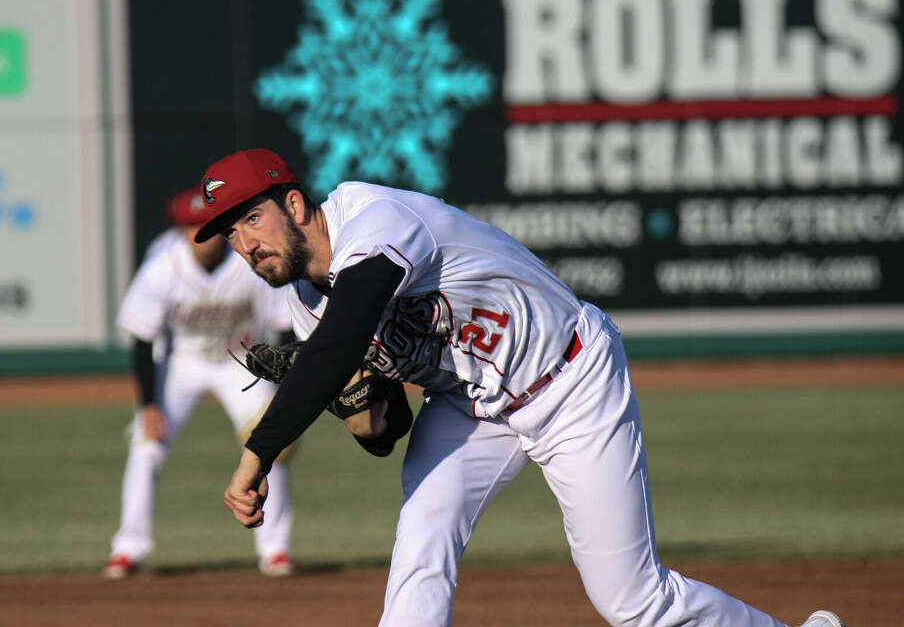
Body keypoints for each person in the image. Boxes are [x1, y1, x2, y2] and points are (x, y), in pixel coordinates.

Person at [194, 148, 844, 627]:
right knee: (422, 545)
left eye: (251, 219)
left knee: (633, 601)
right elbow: (384, 429)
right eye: (230, 233)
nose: (244, 244)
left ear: (295, 204)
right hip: (472, 405)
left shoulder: (376, 219)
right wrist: (359, 404)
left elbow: (337, 347)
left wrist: (260, 451)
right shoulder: (308, 301)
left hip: (570, 379)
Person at [103, 186, 297, 579]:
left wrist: (285, 397)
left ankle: (275, 548)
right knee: (146, 443)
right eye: (188, 225)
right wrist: (149, 406)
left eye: (203, 225)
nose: (196, 233)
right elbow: (142, 339)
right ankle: (128, 548)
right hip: (182, 364)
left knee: (269, 440)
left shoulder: (252, 258)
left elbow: (283, 329)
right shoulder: (163, 266)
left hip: (243, 361)